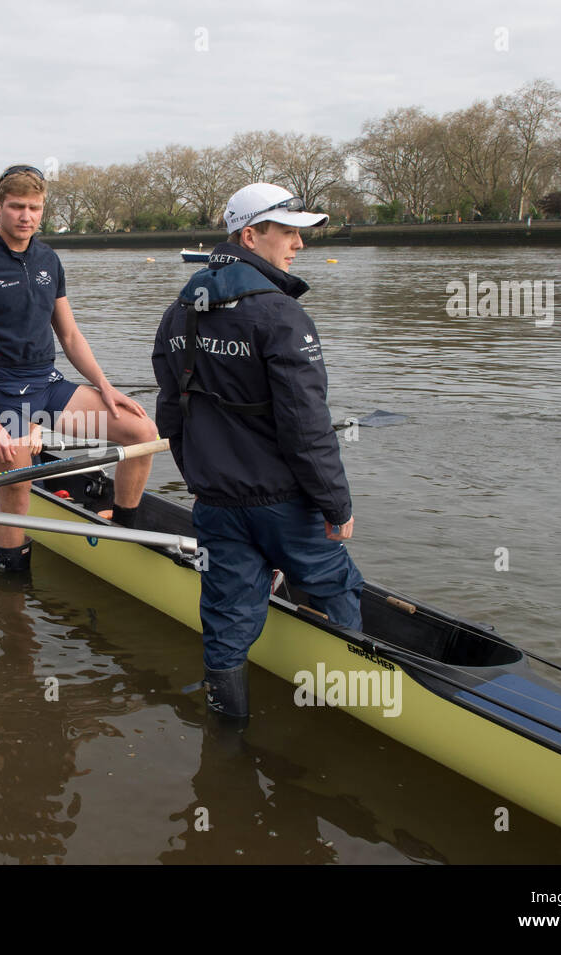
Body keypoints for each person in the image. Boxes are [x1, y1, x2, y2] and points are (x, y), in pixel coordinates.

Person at [152, 182, 364, 720]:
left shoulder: (179, 312)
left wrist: (203, 480)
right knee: (337, 588)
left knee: (225, 621)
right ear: (251, 235)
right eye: (289, 232)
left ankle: (227, 736)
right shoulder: (282, 317)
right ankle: (350, 712)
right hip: (284, 503)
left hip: (217, 502)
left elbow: (171, 415)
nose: (299, 245)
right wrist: (336, 506)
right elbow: (307, 428)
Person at [0, 164, 157, 572]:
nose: (26, 216)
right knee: (18, 488)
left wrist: (105, 386)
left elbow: (70, 336)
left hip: (49, 386)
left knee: (141, 432)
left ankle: (124, 532)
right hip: (6, 397)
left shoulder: (49, 259)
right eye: (16, 207)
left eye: (35, 207)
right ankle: (12, 581)